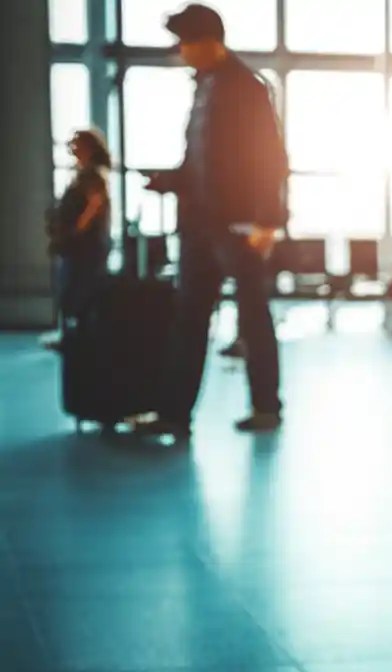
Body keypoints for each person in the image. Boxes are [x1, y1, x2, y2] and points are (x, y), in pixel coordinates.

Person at [133, 3, 288, 440]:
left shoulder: (246, 88)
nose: (181, 50)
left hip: (237, 226)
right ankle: (173, 415)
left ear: (210, 41)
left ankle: (266, 407)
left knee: (252, 317)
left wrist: (267, 221)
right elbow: (200, 160)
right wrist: (169, 181)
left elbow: (270, 156)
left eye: (186, 42)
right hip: (200, 223)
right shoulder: (206, 86)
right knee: (189, 319)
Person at [46, 129, 111, 336]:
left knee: (78, 290)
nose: (73, 149)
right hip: (78, 245)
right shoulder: (83, 175)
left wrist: (76, 230)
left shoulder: (91, 176)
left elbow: (93, 205)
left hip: (83, 246)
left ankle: (79, 337)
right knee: (73, 289)